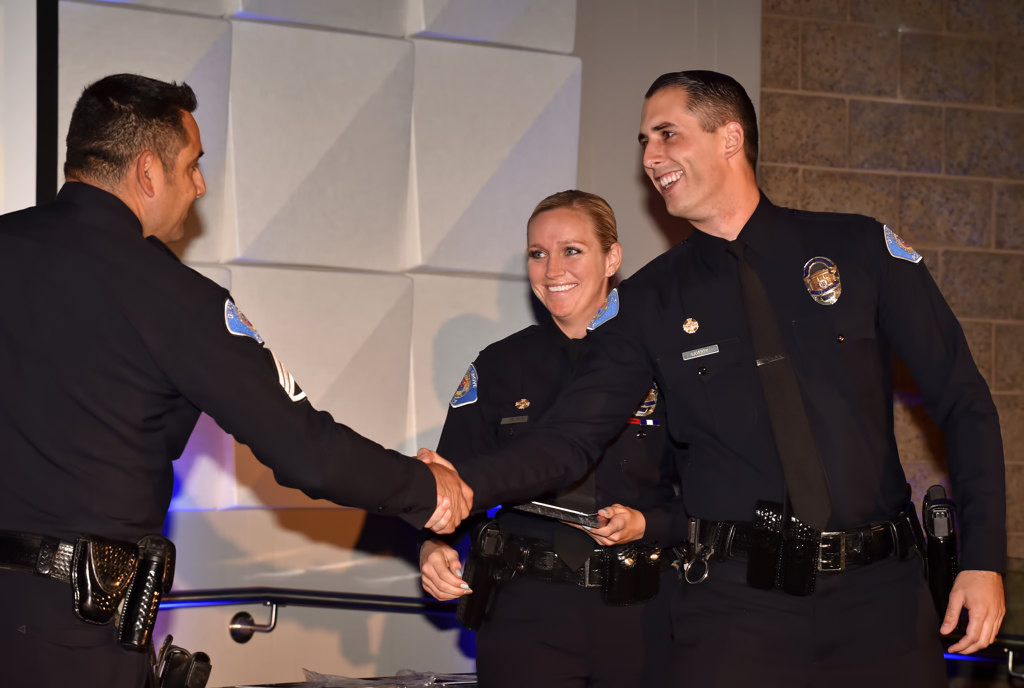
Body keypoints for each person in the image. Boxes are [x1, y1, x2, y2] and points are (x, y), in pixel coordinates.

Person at [423, 70, 1006, 686]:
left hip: (882, 601)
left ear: (730, 137)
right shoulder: (648, 301)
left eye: (667, 134)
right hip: (737, 610)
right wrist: (452, 481)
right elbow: (570, 438)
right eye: (644, 141)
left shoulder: (859, 249)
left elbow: (963, 402)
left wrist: (984, 557)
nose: (650, 157)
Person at [0, 73, 470, 687]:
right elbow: (305, 449)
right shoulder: (171, 296)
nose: (200, 185)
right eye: (192, 165)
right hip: (74, 637)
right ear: (148, 172)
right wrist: (424, 488)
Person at [420, 190, 682, 687]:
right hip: (527, 612)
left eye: (572, 251)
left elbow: (712, 493)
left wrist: (649, 522)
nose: (551, 268)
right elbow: (450, 482)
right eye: (537, 254)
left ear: (612, 258)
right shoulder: (500, 366)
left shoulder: (667, 364)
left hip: (642, 612)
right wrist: (433, 546)